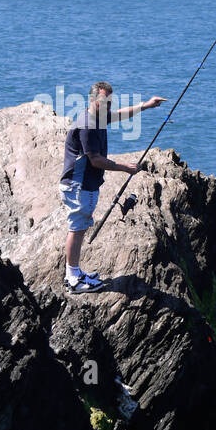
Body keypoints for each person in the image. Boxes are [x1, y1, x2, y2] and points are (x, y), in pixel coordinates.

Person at [60, 81, 166, 293]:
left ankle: (75, 272)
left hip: (85, 184)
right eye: (103, 102)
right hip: (78, 185)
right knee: (77, 229)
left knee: (79, 228)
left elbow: (119, 114)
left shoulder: (98, 115)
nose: (108, 106)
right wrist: (124, 167)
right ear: (92, 100)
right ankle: (73, 278)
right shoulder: (87, 125)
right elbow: (95, 160)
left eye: (109, 102)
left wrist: (146, 105)